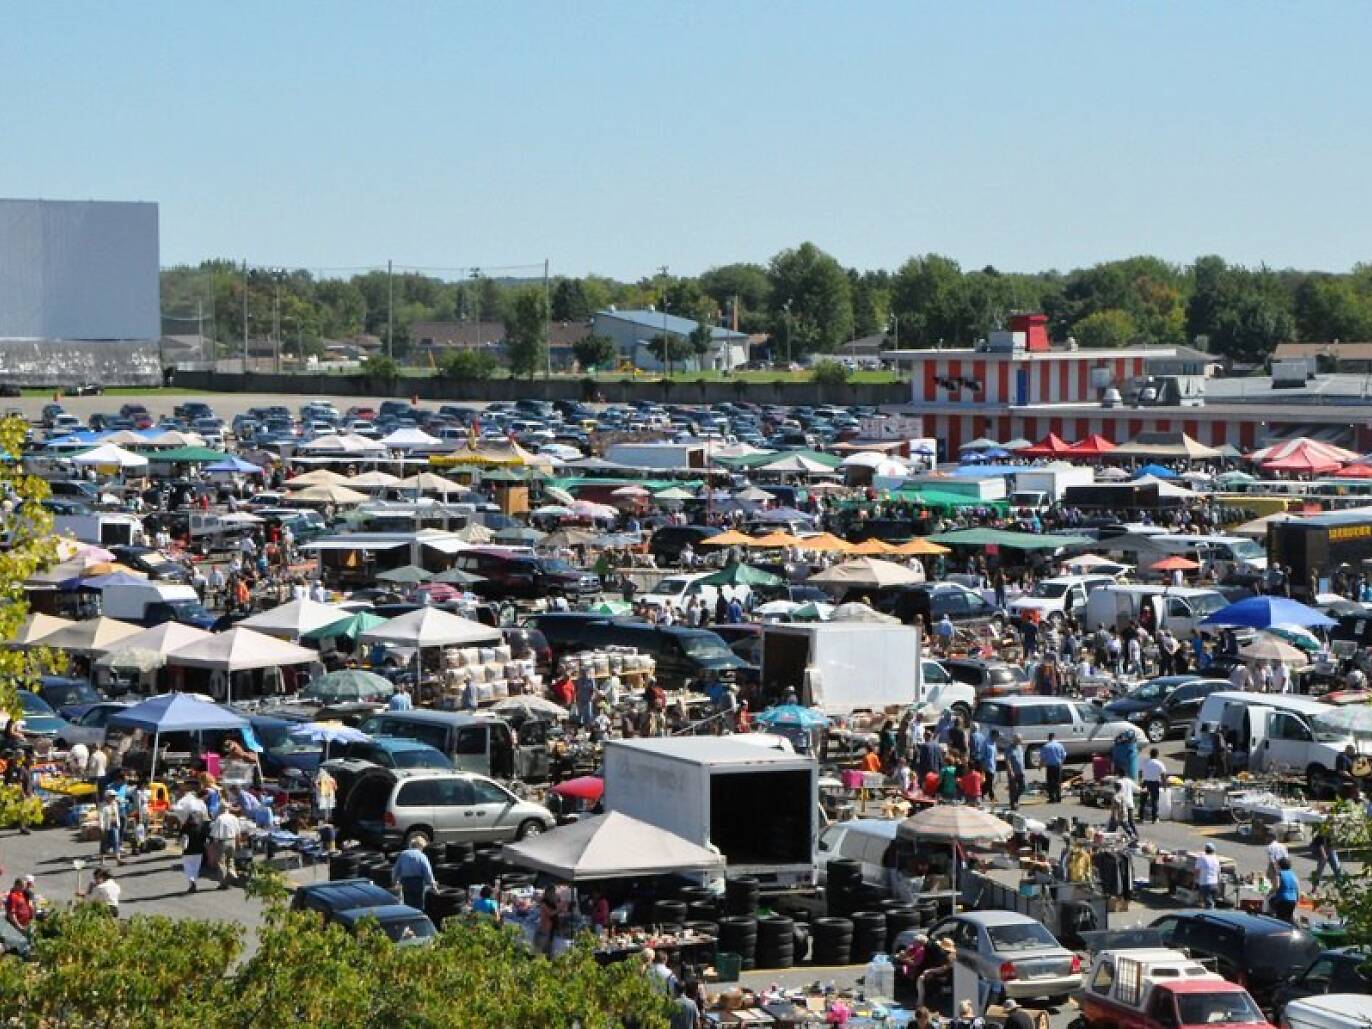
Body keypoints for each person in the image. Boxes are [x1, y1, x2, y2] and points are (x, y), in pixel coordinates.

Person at [392, 838, 437, 911]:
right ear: (421, 846)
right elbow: (427, 871)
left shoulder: (403, 854)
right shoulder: (422, 856)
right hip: (418, 882)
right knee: (418, 905)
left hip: (405, 882)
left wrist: (394, 881)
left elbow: (395, 869)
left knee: (407, 904)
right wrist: (433, 885)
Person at [210, 806, 242, 889]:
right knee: (230, 859)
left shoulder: (219, 818)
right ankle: (232, 873)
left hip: (222, 841)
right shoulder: (233, 817)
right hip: (232, 840)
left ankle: (223, 883)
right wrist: (238, 843)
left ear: (221, 809)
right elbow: (238, 832)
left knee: (221, 863)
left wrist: (214, 845)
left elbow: (215, 834)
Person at [1311, 820, 1343, 889]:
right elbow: (1320, 844)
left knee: (1337, 867)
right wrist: (1324, 855)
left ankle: (1340, 885)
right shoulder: (1324, 831)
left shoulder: (1336, 830)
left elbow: (1334, 842)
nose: (1335, 826)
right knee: (1320, 869)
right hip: (1321, 848)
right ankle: (1315, 887)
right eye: (1334, 824)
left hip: (1330, 849)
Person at [1140, 747, 1167, 823]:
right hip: (1155, 783)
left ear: (1150, 754)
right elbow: (1163, 776)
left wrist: (1140, 782)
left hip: (1145, 782)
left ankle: (1141, 817)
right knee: (1154, 801)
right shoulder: (1160, 763)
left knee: (1143, 801)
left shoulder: (1145, 762)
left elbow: (1140, 772)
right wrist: (1164, 786)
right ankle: (1154, 818)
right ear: (1157, 754)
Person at [1270, 857, 1300, 923]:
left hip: (1282, 899)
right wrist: (1297, 899)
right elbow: (1297, 888)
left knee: (1279, 919)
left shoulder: (1279, 874)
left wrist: (1270, 893)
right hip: (1293, 900)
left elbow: (1277, 886)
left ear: (1279, 865)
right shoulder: (1293, 874)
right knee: (1288, 918)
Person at [97, 789, 123, 866]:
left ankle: (118, 860)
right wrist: (101, 827)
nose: (113, 798)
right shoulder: (102, 805)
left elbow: (117, 814)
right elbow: (101, 817)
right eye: (111, 796)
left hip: (115, 825)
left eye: (114, 796)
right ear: (107, 796)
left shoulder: (115, 804)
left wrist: (119, 824)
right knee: (104, 843)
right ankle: (102, 860)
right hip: (106, 826)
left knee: (116, 842)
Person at [1040, 732, 1067, 804]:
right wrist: (1061, 763)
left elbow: (1043, 758)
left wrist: (1040, 766)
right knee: (1058, 782)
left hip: (1050, 766)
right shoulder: (1060, 745)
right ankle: (1058, 798)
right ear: (1054, 737)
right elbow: (1063, 756)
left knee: (1050, 782)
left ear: (1048, 738)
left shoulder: (1046, 746)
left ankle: (1052, 798)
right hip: (1058, 765)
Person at [1195, 842, 1221, 909]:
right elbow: (1218, 873)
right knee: (1211, 903)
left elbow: (1197, 871)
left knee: (1208, 904)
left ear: (1205, 850)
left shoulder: (1201, 858)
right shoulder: (1216, 859)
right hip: (1215, 884)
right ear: (1213, 850)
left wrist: (1195, 881)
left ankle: (1209, 917)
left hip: (1205, 884)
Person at [1005, 735, 1026, 810]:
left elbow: (1021, 759)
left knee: (1023, 787)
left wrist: (1024, 770)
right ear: (1014, 740)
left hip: (1021, 771)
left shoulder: (1020, 747)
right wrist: (1011, 771)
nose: (1020, 742)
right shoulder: (1009, 748)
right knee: (1013, 789)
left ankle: (1015, 800)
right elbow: (1008, 761)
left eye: (1020, 740)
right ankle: (1013, 804)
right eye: (1018, 740)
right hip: (1013, 772)